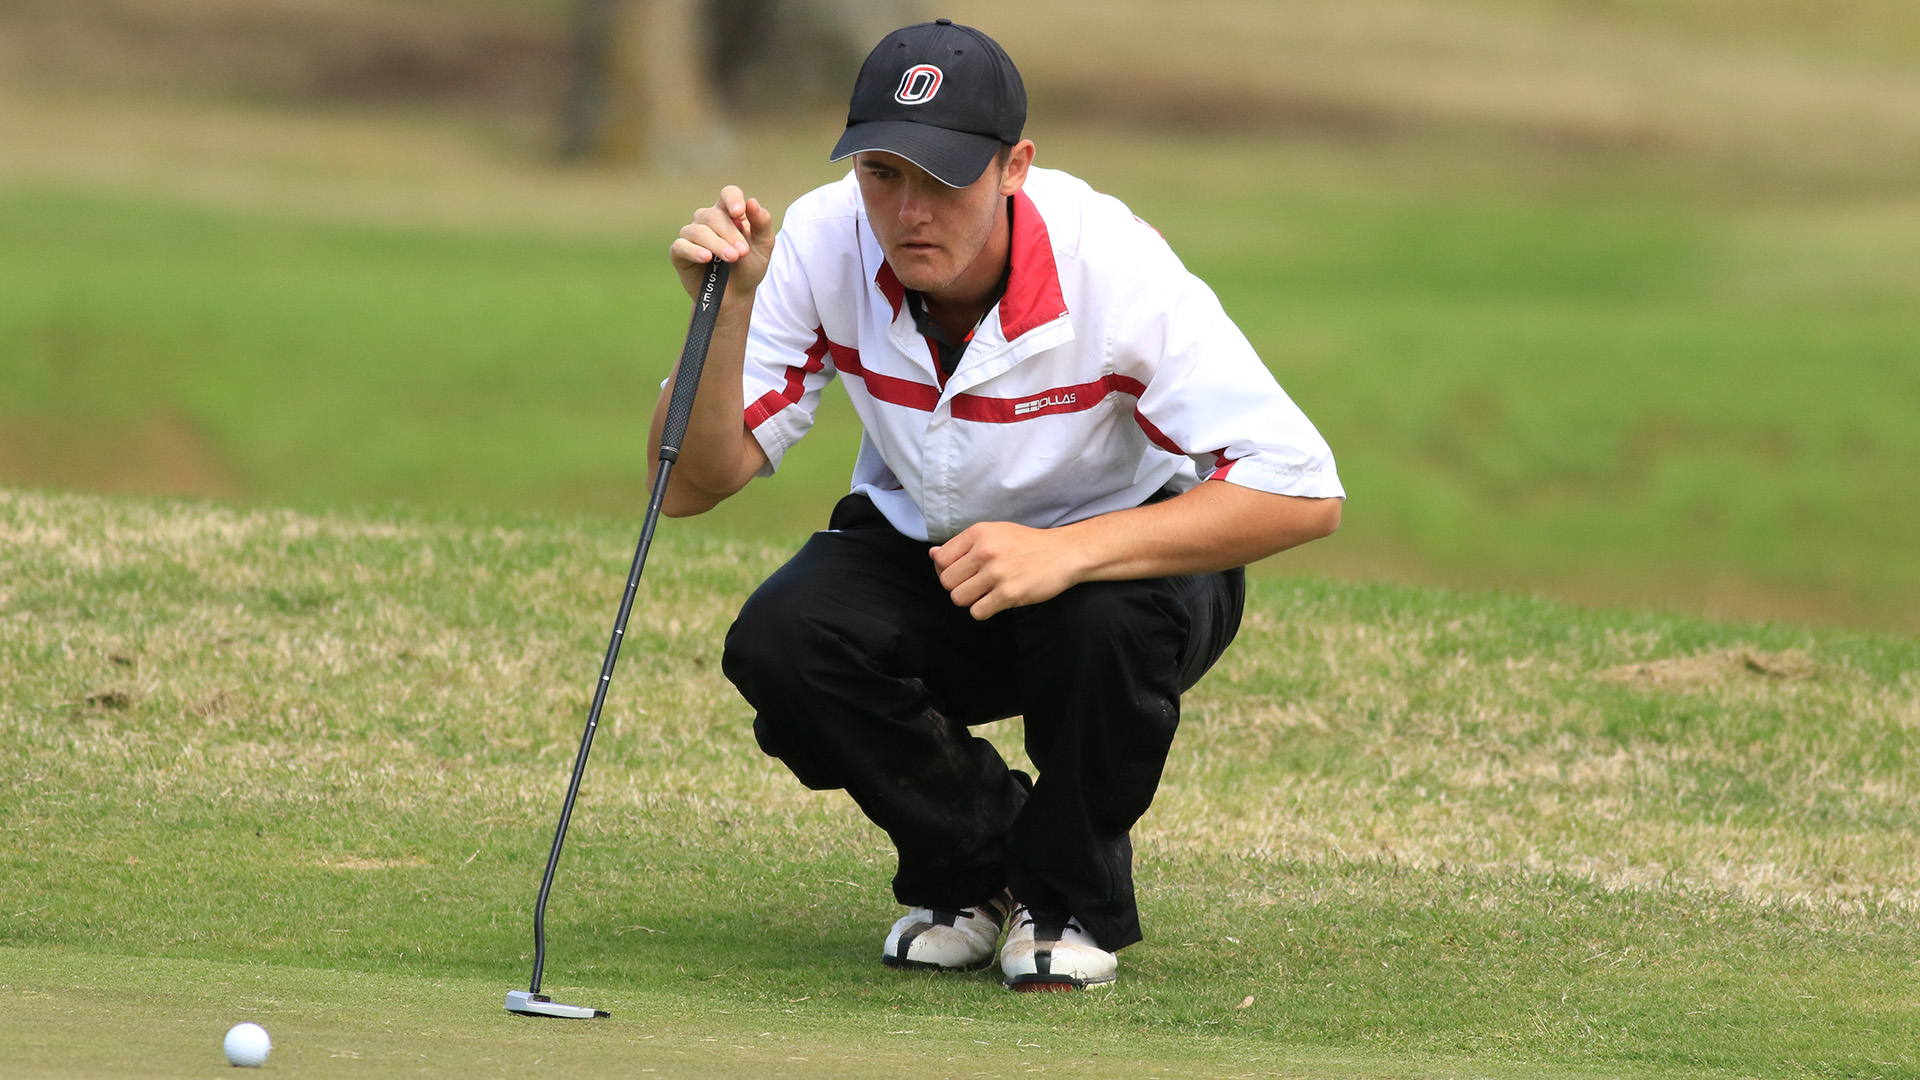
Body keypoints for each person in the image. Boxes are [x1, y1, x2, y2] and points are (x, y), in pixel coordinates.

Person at [651, 18, 1344, 991]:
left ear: (1015, 166)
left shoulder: (1113, 266)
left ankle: (1065, 899)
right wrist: (719, 315)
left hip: (1129, 567)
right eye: (882, 173)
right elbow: (687, 486)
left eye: (942, 178)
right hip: (932, 552)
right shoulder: (818, 241)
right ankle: (973, 870)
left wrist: (1069, 552)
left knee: (1102, 618)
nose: (907, 211)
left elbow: (1304, 488)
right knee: (785, 639)